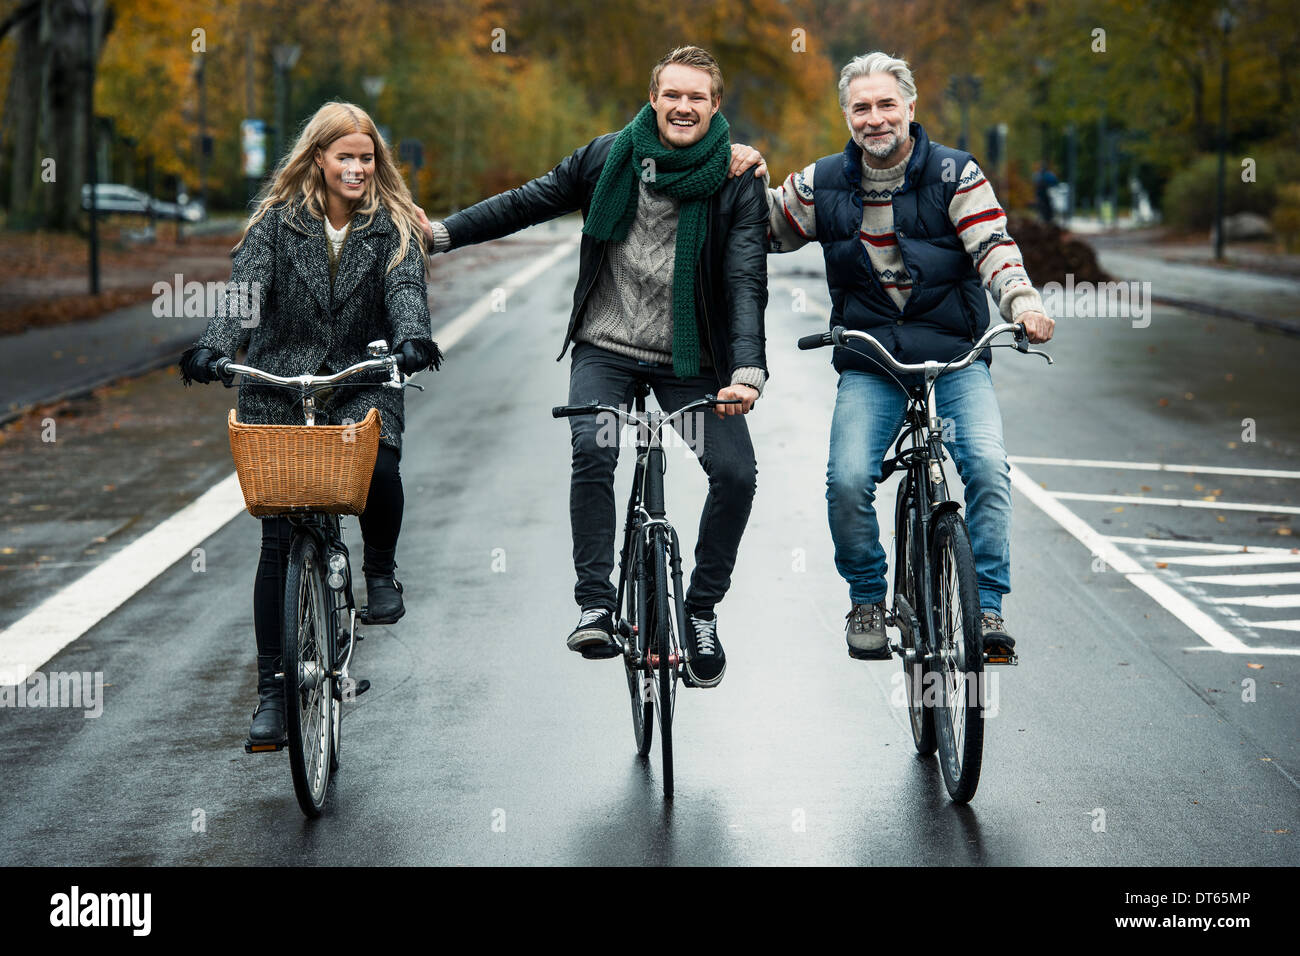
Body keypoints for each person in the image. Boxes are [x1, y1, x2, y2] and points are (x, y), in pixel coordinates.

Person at [417, 46, 767, 688]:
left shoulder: (738, 180)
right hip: (605, 347)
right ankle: (597, 606)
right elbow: (530, 201)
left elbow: (745, 278)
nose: (683, 107)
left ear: (715, 106)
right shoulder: (608, 157)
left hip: (691, 359)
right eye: (672, 95)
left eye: (697, 97)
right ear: (654, 97)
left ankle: (701, 611)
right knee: (595, 447)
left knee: (737, 474)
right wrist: (442, 235)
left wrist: (747, 370)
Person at [764, 52, 1055, 659]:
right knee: (847, 480)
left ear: (910, 108)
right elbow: (763, 225)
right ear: (846, 115)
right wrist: (734, 169)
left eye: (886, 104)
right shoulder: (822, 183)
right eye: (861, 107)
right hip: (872, 362)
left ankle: (989, 607)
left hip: (953, 356)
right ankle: (868, 597)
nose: (875, 119)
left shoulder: (955, 174)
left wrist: (1022, 305)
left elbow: (993, 247)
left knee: (986, 465)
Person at [180, 101, 440, 747]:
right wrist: (215, 345)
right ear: (318, 159)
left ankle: (379, 571)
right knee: (277, 544)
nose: (357, 168)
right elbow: (245, 291)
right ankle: (272, 696)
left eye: (366, 157)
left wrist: (411, 340)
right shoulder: (274, 223)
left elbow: (405, 290)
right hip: (280, 384)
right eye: (345, 156)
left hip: (358, 379)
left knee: (380, 462)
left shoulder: (394, 226)